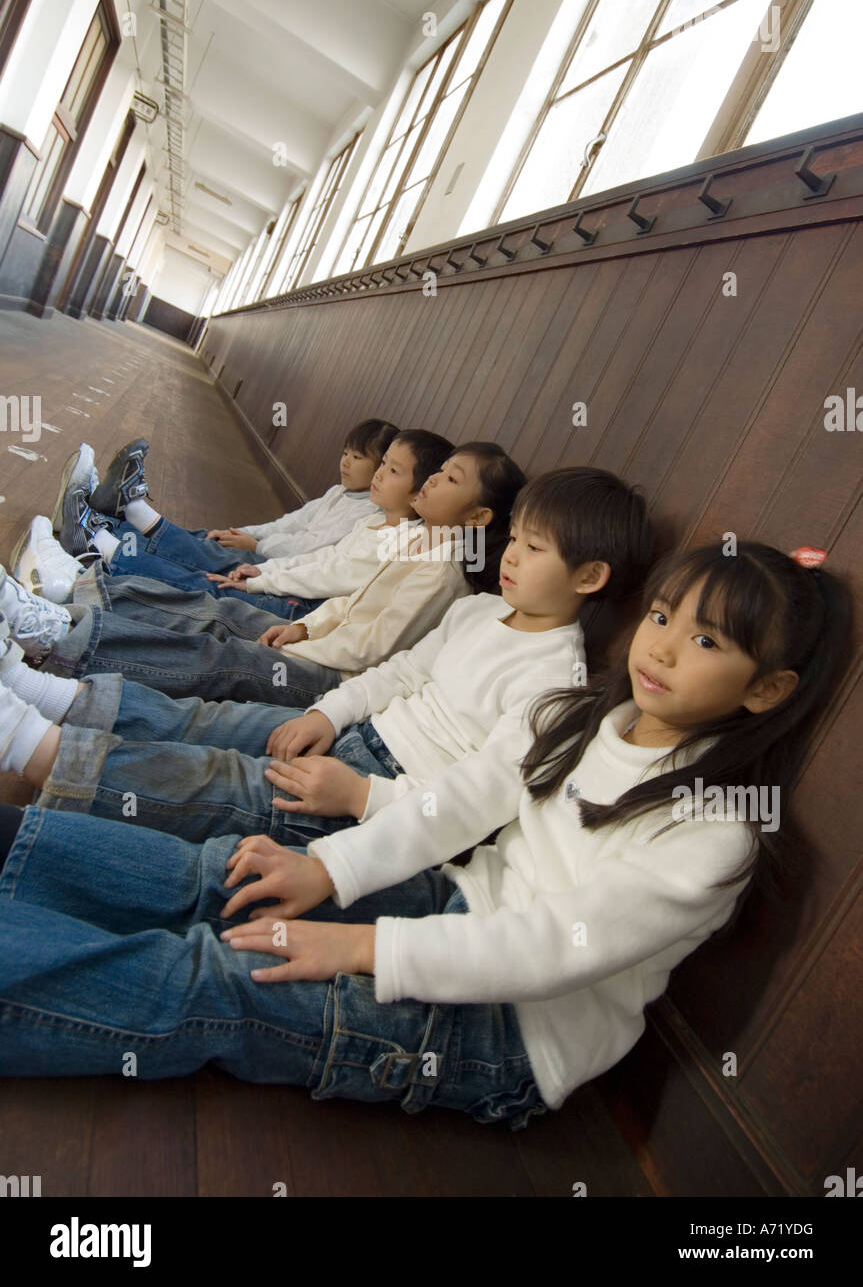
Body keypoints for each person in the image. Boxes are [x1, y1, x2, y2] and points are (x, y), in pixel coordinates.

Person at [0, 543, 848, 1127]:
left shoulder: (714, 835)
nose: (661, 647)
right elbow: (464, 802)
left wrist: (359, 947)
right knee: (230, 873)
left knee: (226, 977)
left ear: (766, 690)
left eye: (704, 640)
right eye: (663, 616)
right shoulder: (583, 717)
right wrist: (330, 869)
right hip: (453, 906)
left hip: (510, 1034)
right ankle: (15, 848)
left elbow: (548, 947)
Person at [3, 469, 654, 849]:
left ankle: (30, 731)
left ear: (590, 575)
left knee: (217, 770)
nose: (510, 556)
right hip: (350, 721)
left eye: (533, 548)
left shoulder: (555, 678)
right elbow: (399, 670)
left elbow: (481, 795)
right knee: (209, 723)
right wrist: (330, 713)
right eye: (515, 540)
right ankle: (45, 688)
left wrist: (365, 792)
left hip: (376, 783)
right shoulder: (481, 611)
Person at [0, 440, 522, 708]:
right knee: (215, 605)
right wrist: (305, 628)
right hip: (315, 633)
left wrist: (295, 639)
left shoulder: (447, 567)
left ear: (478, 519)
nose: (431, 481)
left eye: (449, 478)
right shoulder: (419, 536)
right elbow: (348, 600)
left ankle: (66, 620)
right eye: (438, 469)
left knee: (218, 636)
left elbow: (373, 645)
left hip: (333, 670)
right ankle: (76, 591)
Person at [12, 420, 398, 601]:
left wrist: (255, 546)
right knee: (205, 540)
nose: (346, 462)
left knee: (209, 560)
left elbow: (310, 551)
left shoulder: (370, 520)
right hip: (276, 560)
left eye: (361, 458)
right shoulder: (339, 493)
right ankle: (110, 523)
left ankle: (103, 535)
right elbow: (291, 523)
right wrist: (247, 532)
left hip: (281, 573)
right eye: (345, 453)